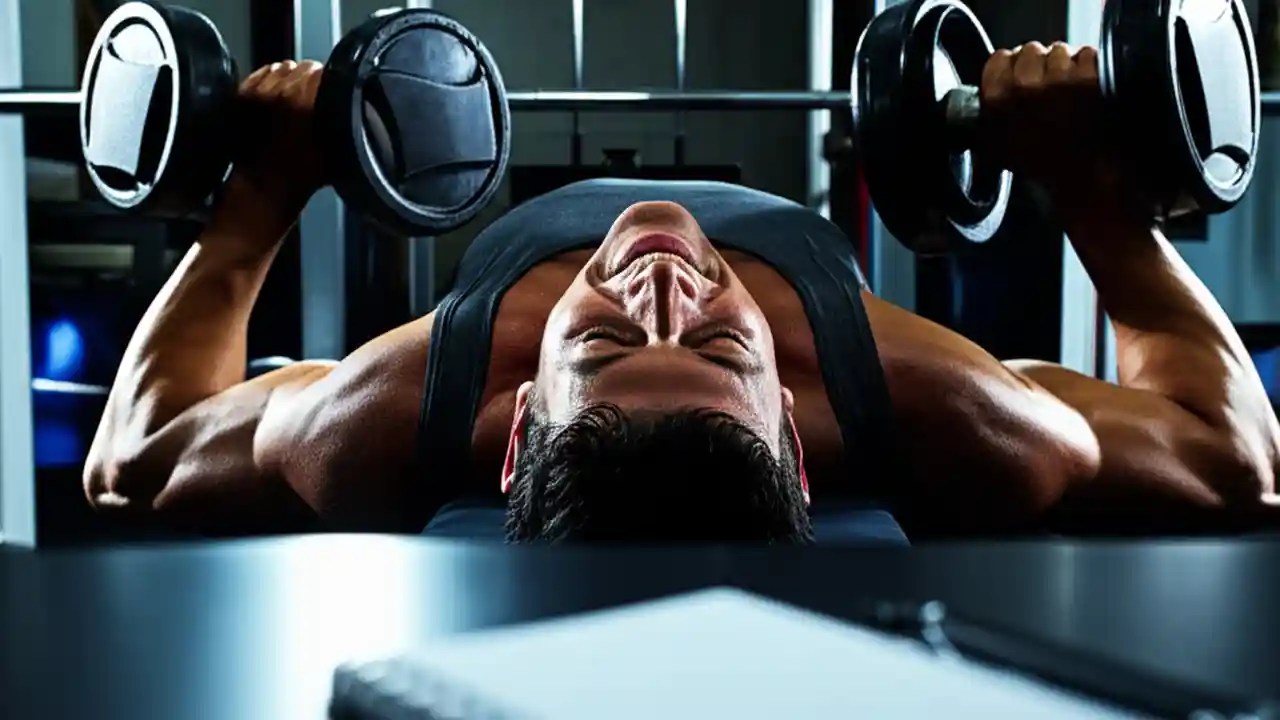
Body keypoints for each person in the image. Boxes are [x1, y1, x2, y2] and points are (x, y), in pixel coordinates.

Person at [83, 43, 1280, 543]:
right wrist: (1089, 193)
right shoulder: (932, 404)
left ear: (515, 430)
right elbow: (1234, 457)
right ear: (797, 437)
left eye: (599, 348)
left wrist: (260, 197)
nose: (661, 287)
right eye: (721, 349)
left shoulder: (391, 413)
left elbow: (133, 459)